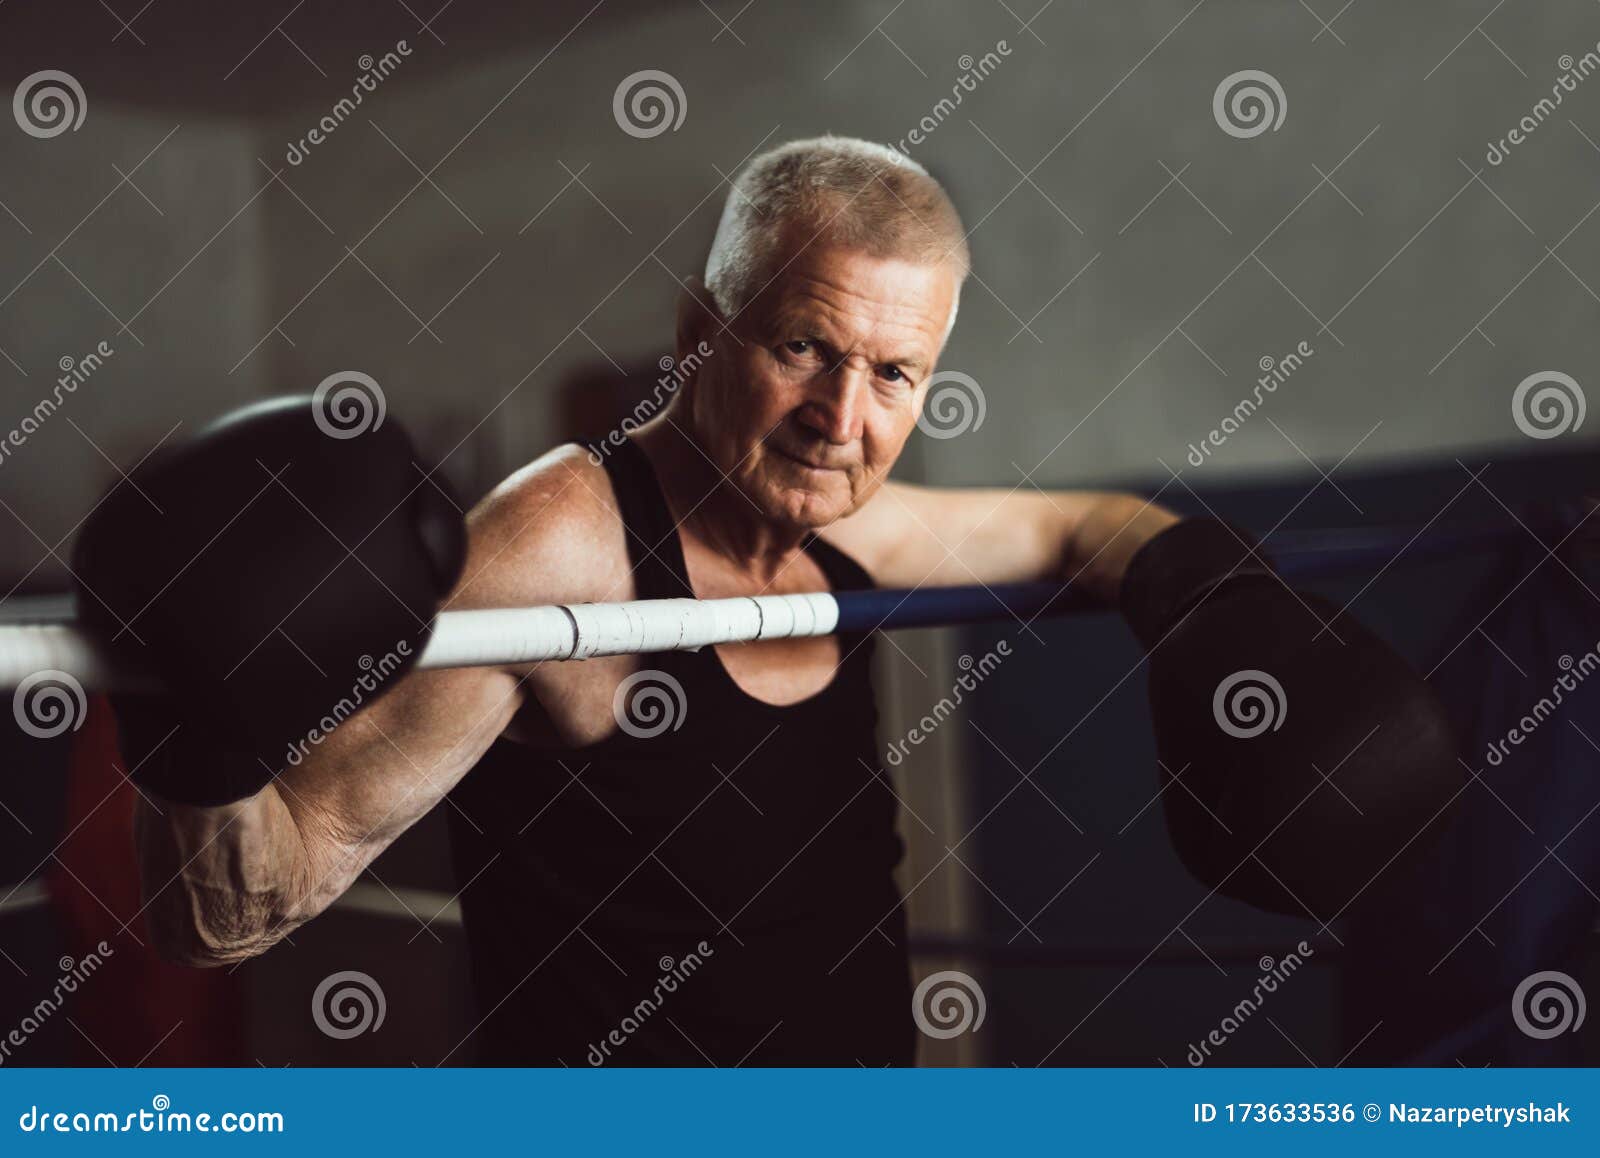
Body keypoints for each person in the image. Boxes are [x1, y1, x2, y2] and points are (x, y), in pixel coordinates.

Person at [127, 137, 1457, 1064]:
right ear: (700, 334)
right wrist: (199, 728)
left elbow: (1080, 525)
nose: (842, 417)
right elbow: (246, 901)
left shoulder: (848, 524)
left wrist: (1215, 598)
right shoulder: (562, 545)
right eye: (804, 346)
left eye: (895, 372)